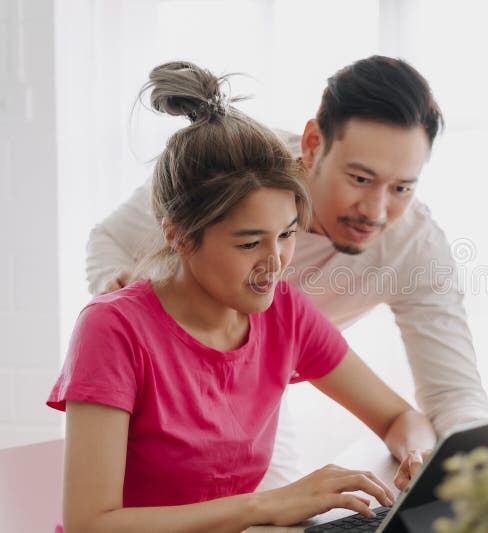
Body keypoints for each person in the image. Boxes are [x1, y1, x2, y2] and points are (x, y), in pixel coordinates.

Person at [48, 61, 436, 532]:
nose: (275, 263)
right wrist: (264, 507)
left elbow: (398, 416)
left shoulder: (285, 311)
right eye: (250, 243)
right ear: (178, 234)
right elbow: (91, 523)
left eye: (288, 234)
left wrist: (418, 456)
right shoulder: (113, 329)